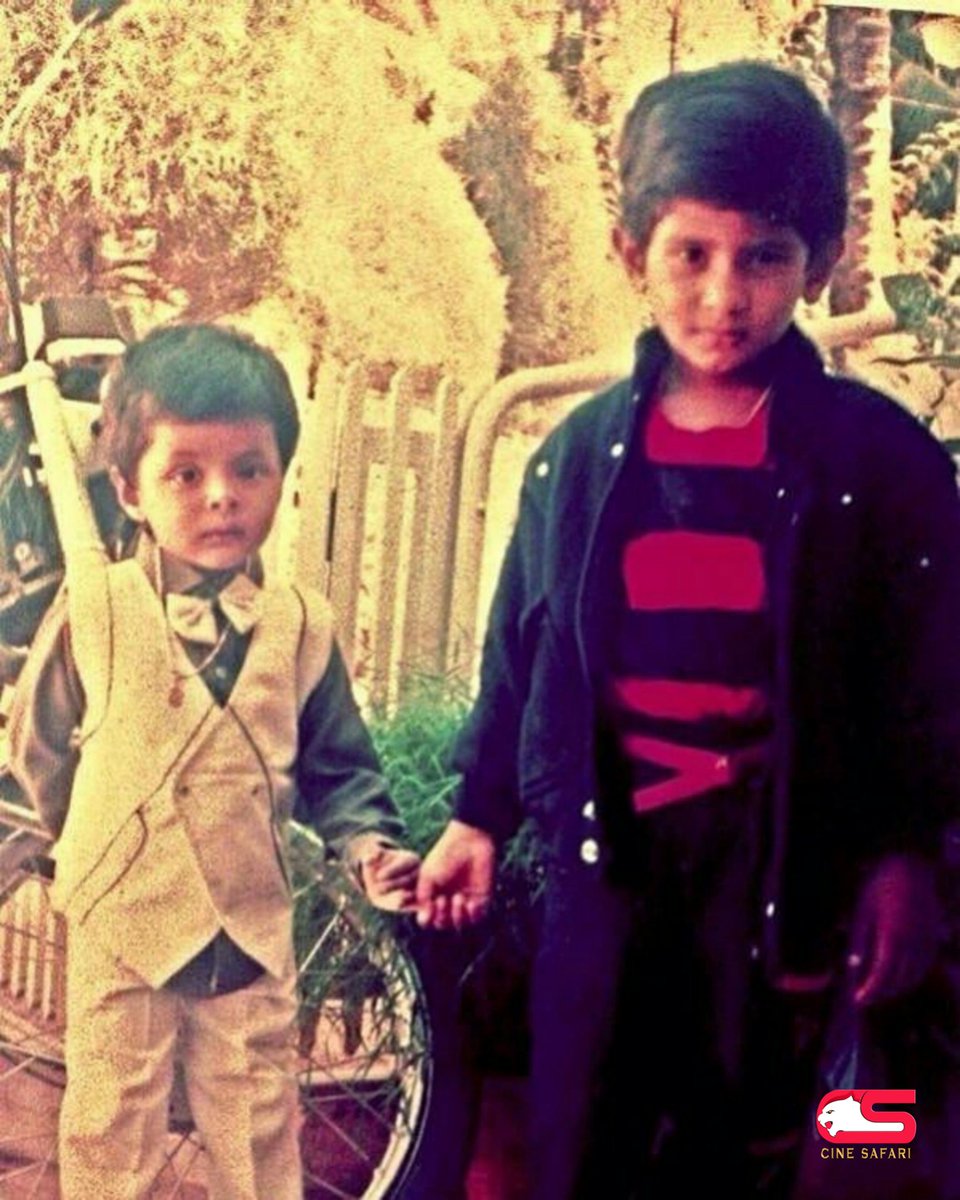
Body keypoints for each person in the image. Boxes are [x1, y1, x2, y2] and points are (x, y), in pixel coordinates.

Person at [416, 61, 960, 1198]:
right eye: (692, 254)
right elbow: (524, 650)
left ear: (820, 260)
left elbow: (927, 685)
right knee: (581, 1146)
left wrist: (907, 860)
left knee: (760, 1143)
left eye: (764, 257)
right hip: (608, 876)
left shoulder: (883, 466)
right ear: (633, 254)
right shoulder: (575, 461)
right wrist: (477, 813)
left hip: (778, 879)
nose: (725, 295)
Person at [8, 324, 420, 1200]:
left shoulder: (302, 628)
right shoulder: (96, 611)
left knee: (260, 1131)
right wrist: (75, 849)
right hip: (122, 924)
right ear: (130, 490)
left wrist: (370, 845)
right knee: (109, 1129)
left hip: (248, 929)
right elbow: (37, 751)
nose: (222, 497)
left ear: (283, 476)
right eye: (186, 475)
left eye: (249, 469)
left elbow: (341, 769)